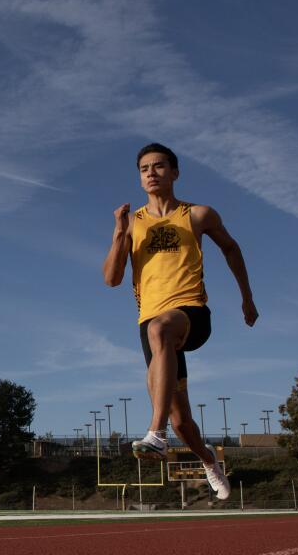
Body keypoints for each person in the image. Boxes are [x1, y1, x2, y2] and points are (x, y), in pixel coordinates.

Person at [102, 142, 258, 500]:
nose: (151, 173)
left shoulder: (198, 214)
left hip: (190, 314)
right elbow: (111, 279)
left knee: (162, 328)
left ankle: (154, 434)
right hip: (151, 323)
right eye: (144, 169)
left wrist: (246, 297)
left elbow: (231, 248)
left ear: (174, 172)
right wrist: (117, 233)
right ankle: (208, 462)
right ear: (139, 178)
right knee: (182, 421)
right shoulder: (133, 224)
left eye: (158, 166)